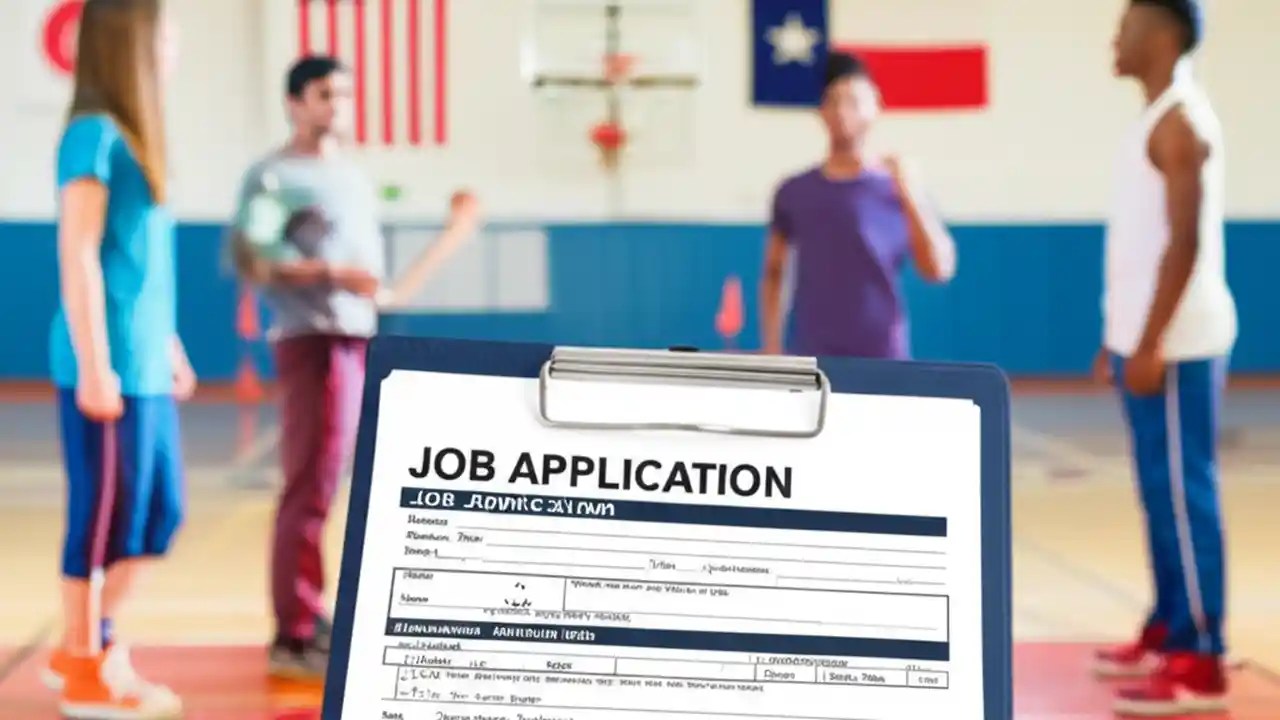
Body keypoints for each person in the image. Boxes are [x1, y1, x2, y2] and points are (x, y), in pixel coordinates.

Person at [229, 55, 479, 681]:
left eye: (342, 93)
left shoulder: (352, 177)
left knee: (331, 483)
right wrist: (335, 275)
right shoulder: (274, 177)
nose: (334, 104)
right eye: (321, 93)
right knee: (309, 483)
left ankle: (314, 612)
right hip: (312, 339)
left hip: (355, 339)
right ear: (294, 102)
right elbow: (254, 259)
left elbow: (375, 283)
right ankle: (293, 630)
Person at [43, 0, 190, 717]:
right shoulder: (91, 136)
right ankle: (85, 666)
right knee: (102, 520)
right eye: (166, 31)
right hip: (104, 367)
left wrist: (168, 344)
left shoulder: (139, 141)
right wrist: (96, 365)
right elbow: (79, 253)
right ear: (133, 41)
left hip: (145, 362)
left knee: (161, 515)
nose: (176, 44)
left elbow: (137, 264)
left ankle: (86, 644)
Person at [1092, 0, 1235, 715]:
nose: (1115, 36)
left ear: (1165, 33)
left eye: (1127, 23)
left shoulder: (1183, 121)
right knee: (1159, 494)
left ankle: (1202, 660)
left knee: (1185, 496)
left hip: (1177, 346)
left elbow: (1185, 246)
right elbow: (1140, 247)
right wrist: (1117, 337)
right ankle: (1168, 624)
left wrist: (1149, 343)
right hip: (1143, 340)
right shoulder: (1152, 119)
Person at [760, 51, 956, 360]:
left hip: (883, 355)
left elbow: (938, 269)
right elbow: (774, 272)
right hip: (814, 355)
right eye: (833, 101)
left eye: (853, 101)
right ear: (821, 111)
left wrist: (910, 193)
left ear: (875, 108)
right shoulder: (794, 192)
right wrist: (771, 346)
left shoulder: (897, 186)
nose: (842, 112)